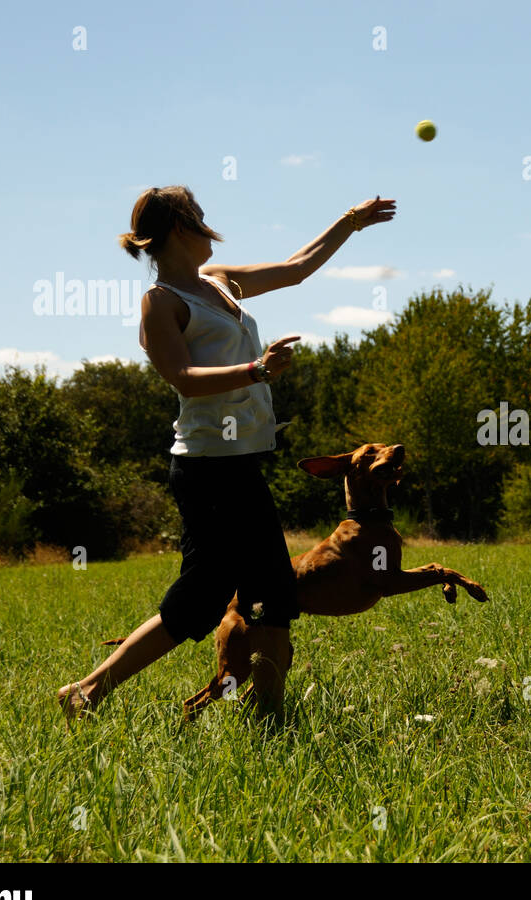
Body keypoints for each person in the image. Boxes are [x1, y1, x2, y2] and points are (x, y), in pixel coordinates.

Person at [57, 185, 396, 723]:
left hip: (240, 462)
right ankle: (89, 690)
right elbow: (183, 378)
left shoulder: (221, 283)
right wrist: (255, 370)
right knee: (204, 595)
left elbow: (295, 267)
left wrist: (350, 221)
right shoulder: (162, 301)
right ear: (178, 229)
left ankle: (269, 720)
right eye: (200, 216)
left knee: (274, 592)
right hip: (205, 469)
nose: (210, 224)